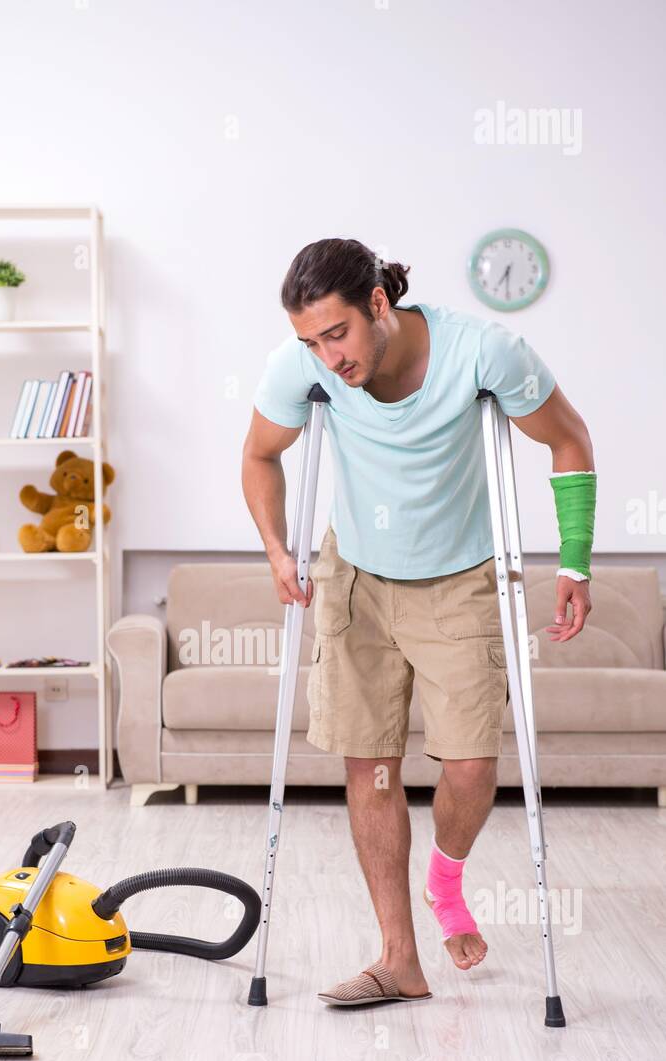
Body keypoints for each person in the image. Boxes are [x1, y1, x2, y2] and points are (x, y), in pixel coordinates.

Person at [241, 238, 596, 1007]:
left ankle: (446, 878)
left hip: (462, 578)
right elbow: (260, 455)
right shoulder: (299, 366)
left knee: (469, 765)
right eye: (310, 342)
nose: (326, 358)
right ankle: (398, 960)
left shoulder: (482, 352)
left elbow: (568, 440)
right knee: (369, 766)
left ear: (378, 303)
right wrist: (276, 549)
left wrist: (574, 563)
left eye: (335, 334)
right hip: (358, 580)